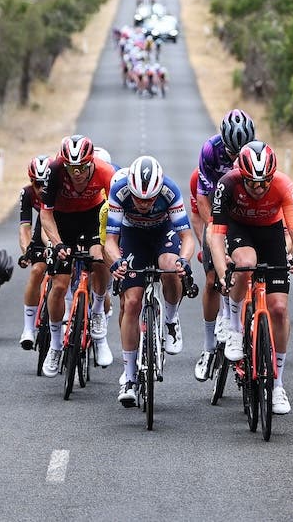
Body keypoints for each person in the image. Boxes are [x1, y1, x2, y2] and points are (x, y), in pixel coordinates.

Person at [208, 142, 293, 415]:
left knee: (279, 308)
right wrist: (224, 273)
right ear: (242, 175)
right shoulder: (228, 184)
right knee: (246, 264)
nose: (259, 189)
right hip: (240, 229)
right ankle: (236, 330)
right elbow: (216, 237)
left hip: (271, 231)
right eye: (252, 183)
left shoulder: (283, 185)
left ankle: (278, 385)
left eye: (264, 183)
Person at [105, 155, 195, 407]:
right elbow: (111, 241)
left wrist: (184, 260)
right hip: (132, 236)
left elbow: (187, 237)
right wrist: (116, 261)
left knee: (170, 265)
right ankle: (130, 378)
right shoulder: (119, 191)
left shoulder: (170, 190)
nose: (143, 204)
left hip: (162, 233)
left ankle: (170, 319)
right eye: (138, 199)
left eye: (149, 200)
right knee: (132, 302)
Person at [38, 134, 115, 374]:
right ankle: (54, 344)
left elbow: (116, 212)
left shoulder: (105, 171)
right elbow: (45, 214)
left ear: (91, 162)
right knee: (59, 285)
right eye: (72, 168)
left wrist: (113, 243)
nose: (77, 173)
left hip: (93, 216)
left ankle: (98, 314)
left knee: (99, 259)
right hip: (62, 219)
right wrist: (58, 244)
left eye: (81, 167)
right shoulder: (54, 170)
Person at [195, 109, 257, 350]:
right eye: (232, 152)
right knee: (212, 280)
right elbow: (202, 198)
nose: (235, 158)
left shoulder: (258, 152)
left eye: (240, 153)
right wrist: (214, 232)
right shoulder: (210, 149)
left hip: (245, 212)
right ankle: (209, 346)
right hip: (216, 207)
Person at [187, 163, 223, 381]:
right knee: (212, 281)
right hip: (213, 227)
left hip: (243, 225)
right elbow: (197, 218)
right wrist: (206, 247)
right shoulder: (198, 179)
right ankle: (209, 347)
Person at [16, 156, 52, 349]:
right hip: (41, 228)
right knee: (37, 270)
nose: (42, 189)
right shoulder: (27, 193)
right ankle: (28, 329)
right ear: (32, 182)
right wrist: (26, 252)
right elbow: (25, 228)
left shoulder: (59, 191)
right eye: (38, 184)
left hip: (60, 227)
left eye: (46, 184)